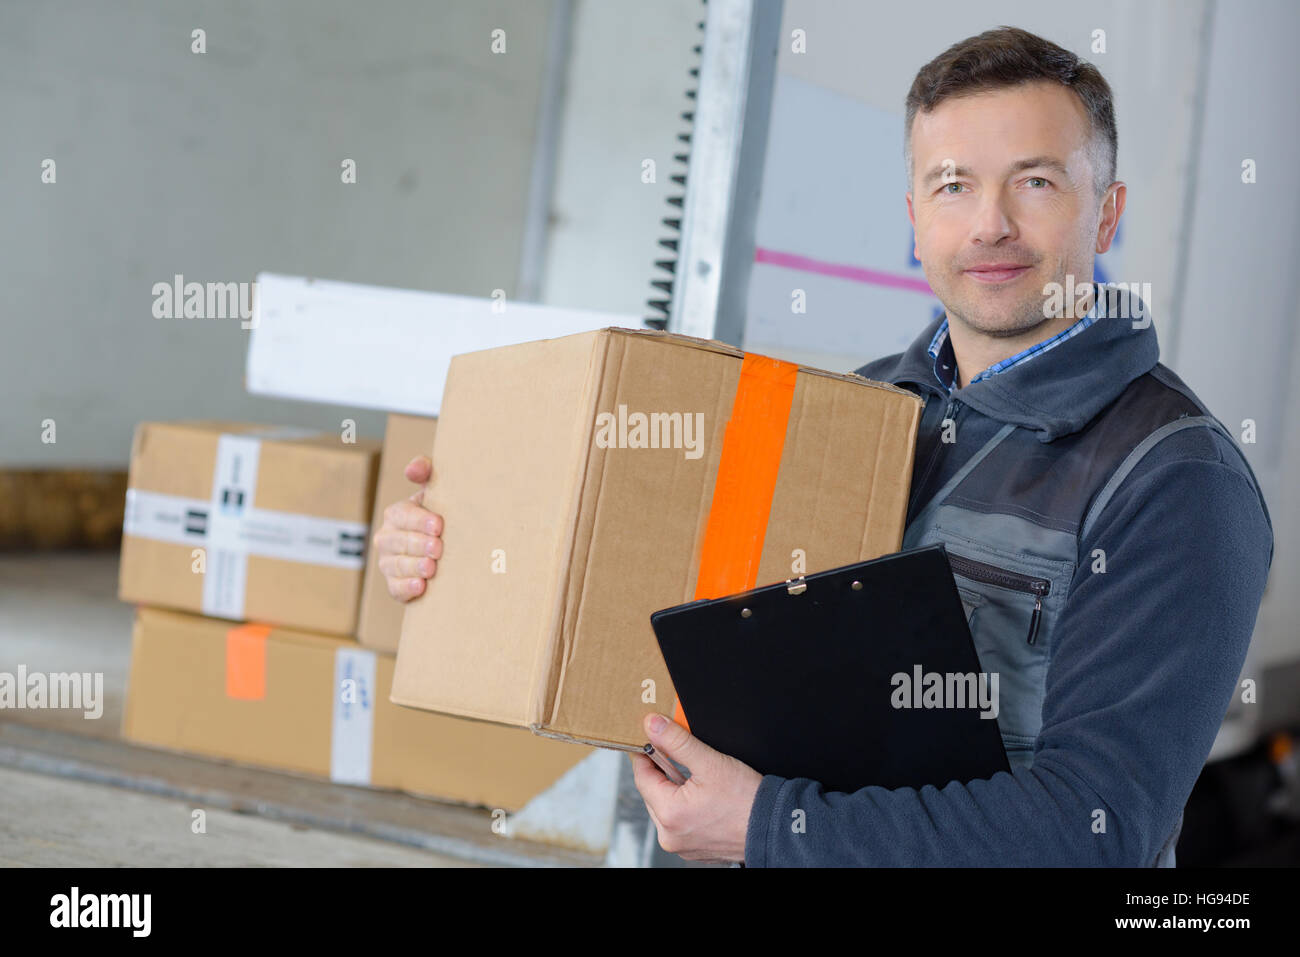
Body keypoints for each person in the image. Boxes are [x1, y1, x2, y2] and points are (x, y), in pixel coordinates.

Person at [372, 26, 1273, 866]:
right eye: (953, 184)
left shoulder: (1175, 479)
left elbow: (1095, 829)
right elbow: (646, 593)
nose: (989, 223)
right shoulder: (863, 409)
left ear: (1107, 214)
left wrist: (769, 826)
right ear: (914, 215)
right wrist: (463, 547)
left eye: (1036, 181)